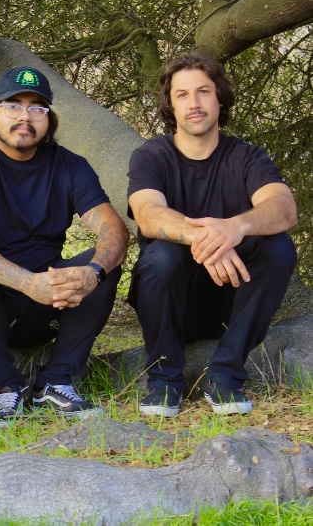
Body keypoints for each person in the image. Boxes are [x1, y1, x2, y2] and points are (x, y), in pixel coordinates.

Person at [0, 66, 129, 423]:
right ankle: (5, 387)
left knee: (103, 268)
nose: (25, 116)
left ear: (49, 119)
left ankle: (56, 382)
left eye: (37, 108)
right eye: (13, 106)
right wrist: (27, 282)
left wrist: (92, 273)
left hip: (41, 304)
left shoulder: (69, 166)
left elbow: (114, 229)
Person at [127, 51, 297, 417]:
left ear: (219, 97)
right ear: (170, 105)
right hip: (172, 302)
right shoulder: (151, 156)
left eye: (203, 91)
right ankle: (164, 380)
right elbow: (148, 215)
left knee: (278, 247)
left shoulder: (247, 157)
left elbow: (283, 208)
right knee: (161, 254)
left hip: (231, 304)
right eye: (182, 94)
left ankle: (225, 375)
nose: (194, 103)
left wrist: (234, 227)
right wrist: (209, 241)